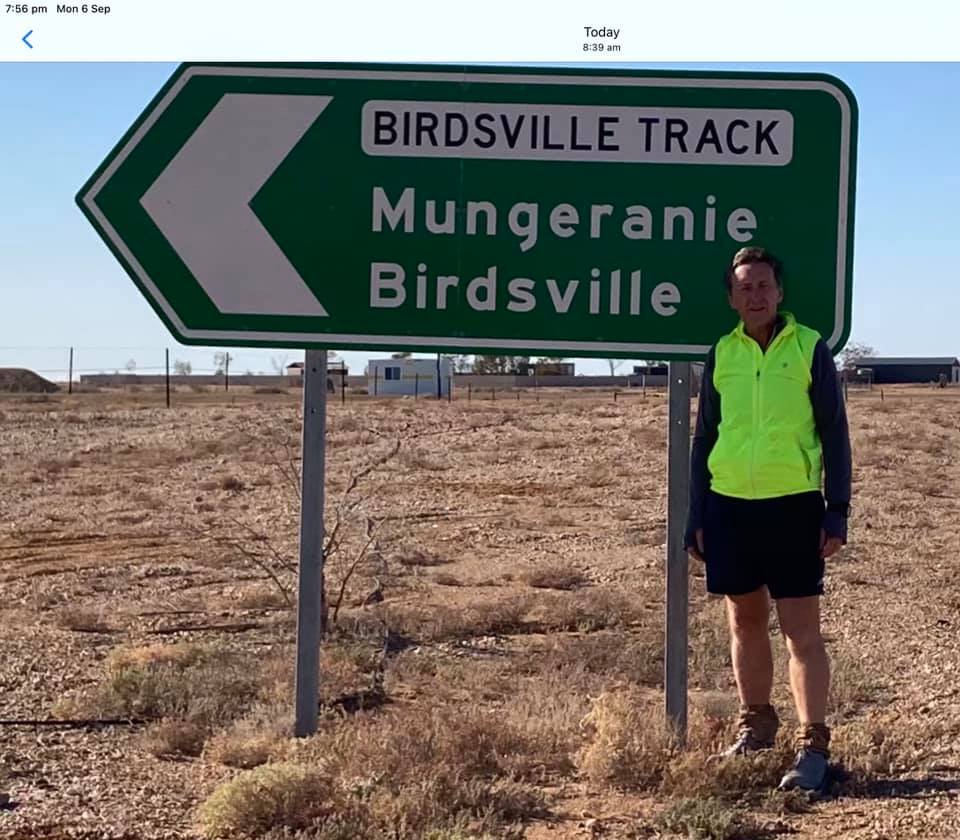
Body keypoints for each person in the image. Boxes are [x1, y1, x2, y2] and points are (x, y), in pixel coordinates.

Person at [684, 246, 852, 792]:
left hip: (793, 505)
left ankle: (813, 747)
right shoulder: (721, 354)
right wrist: (698, 512)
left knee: (801, 632)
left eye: (763, 285)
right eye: (744, 287)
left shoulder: (808, 349)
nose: (755, 295)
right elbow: (705, 436)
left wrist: (837, 509)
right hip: (730, 504)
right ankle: (755, 726)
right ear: (732, 299)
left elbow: (834, 432)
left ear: (779, 293)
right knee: (744, 621)